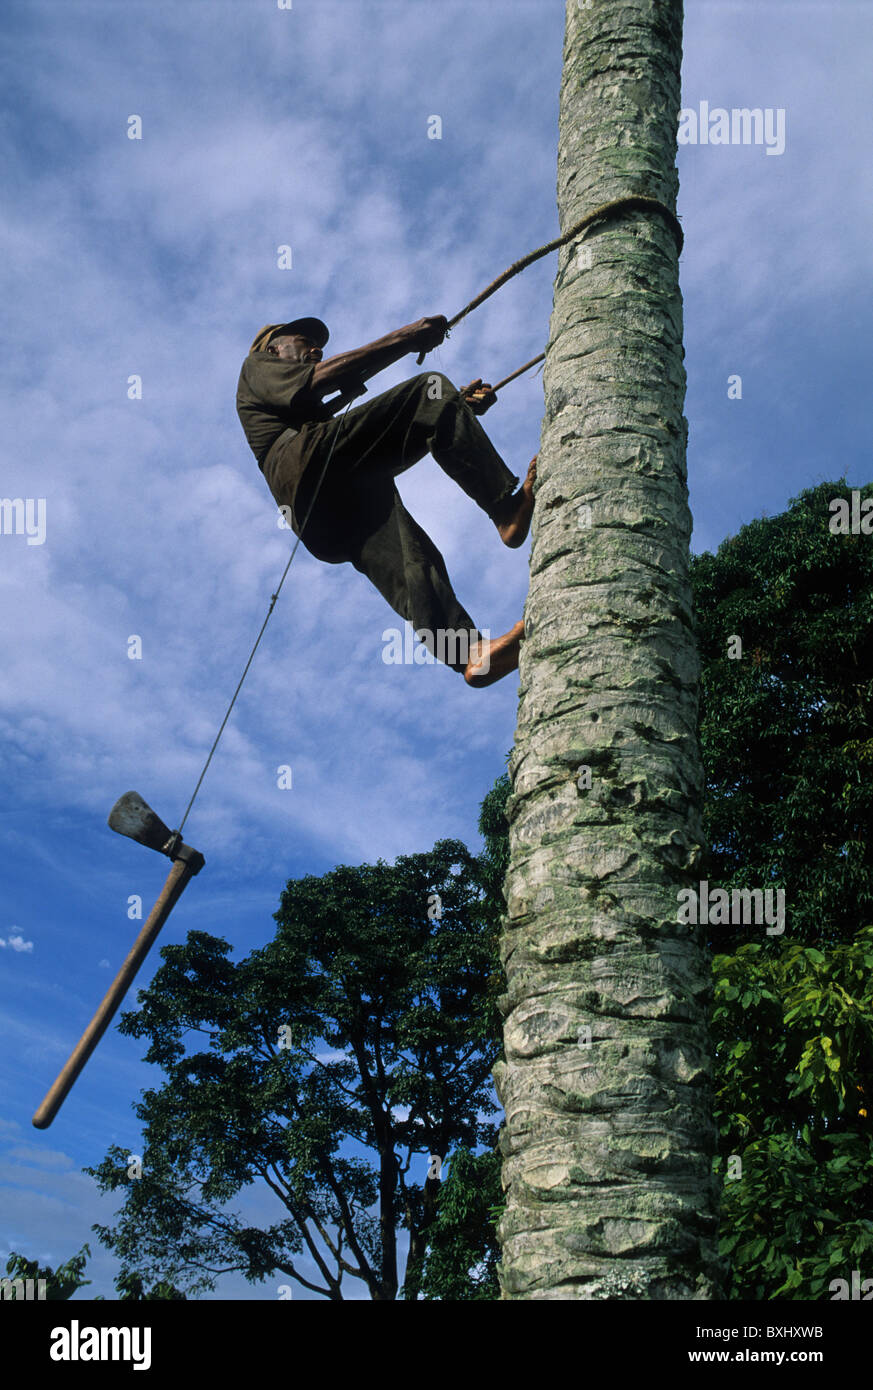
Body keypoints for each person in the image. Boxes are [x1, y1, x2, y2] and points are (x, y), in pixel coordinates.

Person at [236, 313, 536, 685]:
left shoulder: (297, 409)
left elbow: (389, 426)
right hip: (309, 465)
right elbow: (320, 379)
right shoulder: (257, 366)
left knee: (414, 559)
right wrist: (406, 338)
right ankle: (503, 508)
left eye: (319, 346)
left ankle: (471, 656)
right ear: (273, 346)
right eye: (304, 341)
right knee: (430, 387)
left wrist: (454, 408)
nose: (315, 349)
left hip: (322, 515)